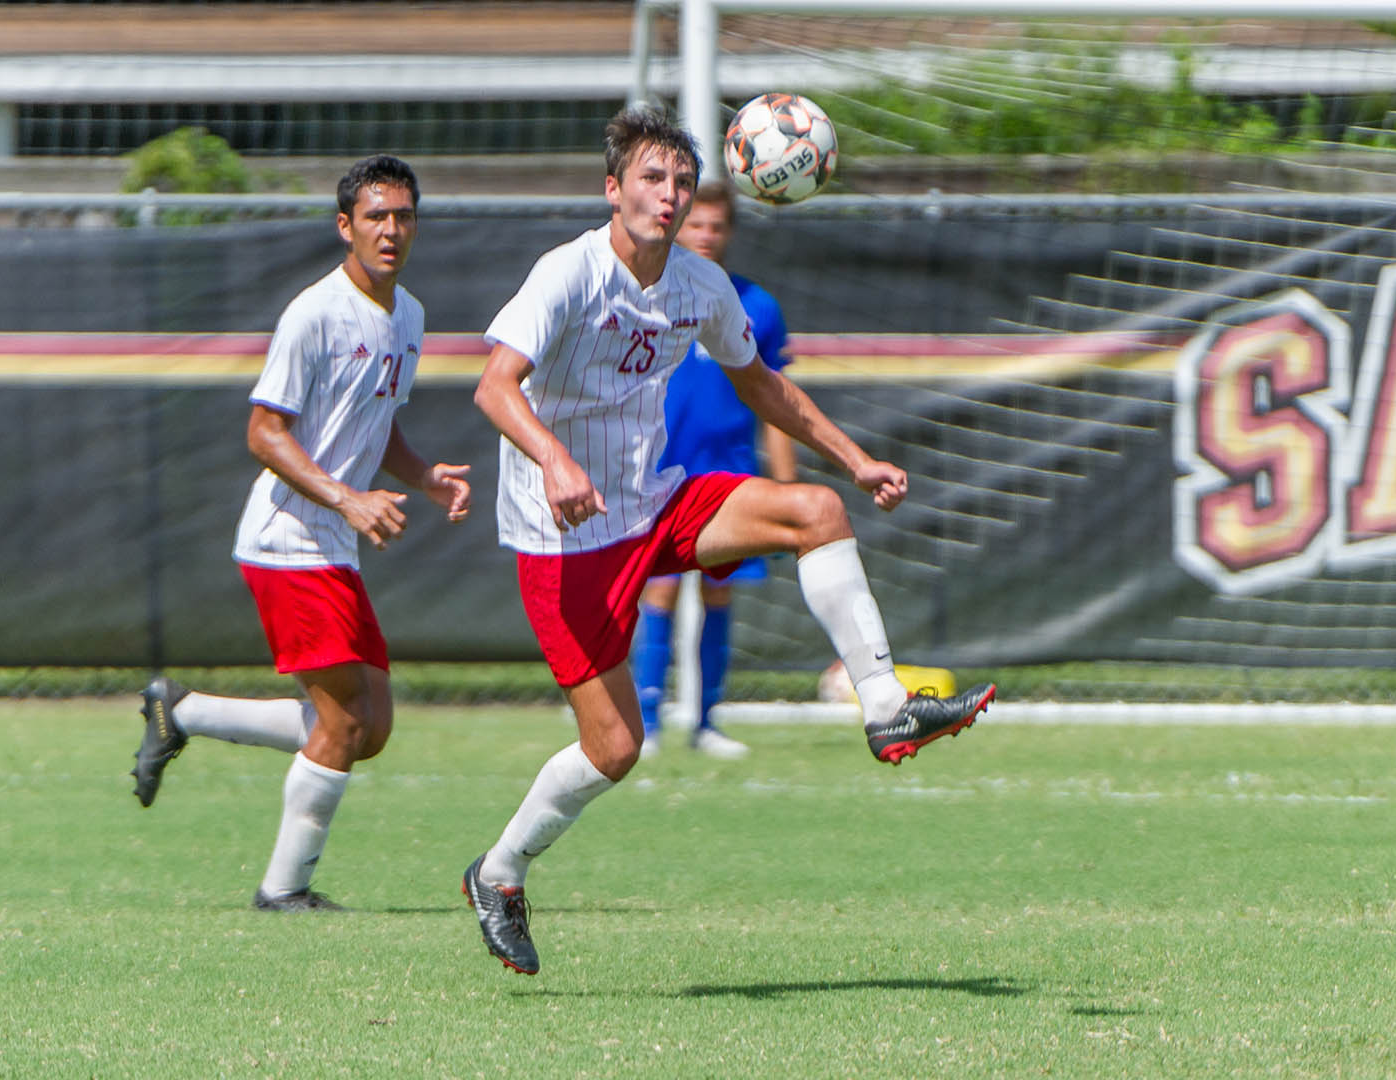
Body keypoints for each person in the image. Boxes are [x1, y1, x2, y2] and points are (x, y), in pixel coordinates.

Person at [461, 108, 995, 975]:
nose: (667, 197)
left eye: (680, 182)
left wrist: (857, 460)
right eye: (650, 179)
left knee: (816, 512)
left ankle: (885, 703)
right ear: (613, 189)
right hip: (562, 538)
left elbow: (763, 386)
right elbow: (494, 387)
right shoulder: (567, 274)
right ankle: (500, 872)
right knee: (615, 750)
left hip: (655, 500)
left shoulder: (701, 287)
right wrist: (554, 461)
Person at [128, 155, 470, 913]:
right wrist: (349, 499)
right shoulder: (314, 312)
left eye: (404, 215)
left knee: (369, 726)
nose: (391, 229)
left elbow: (375, 423)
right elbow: (263, 433)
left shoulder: (407, 315)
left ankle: (181, 711)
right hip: (288, 538)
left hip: (332, 542)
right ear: (344, 226)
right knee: (344, 721)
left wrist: (425, 477)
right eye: (376, 216)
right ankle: (284, 889)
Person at [628, 180, 795, 760]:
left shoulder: (757, 307)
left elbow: (773, 401)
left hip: (729, 477)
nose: (705, 234)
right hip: (661, 473)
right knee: (660, 589)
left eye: (716, 226)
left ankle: (705, 721)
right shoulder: (649, 296)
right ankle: (646, 723)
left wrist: (785, 484)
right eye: (695, 223)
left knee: (720, 594)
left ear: (730, 232)